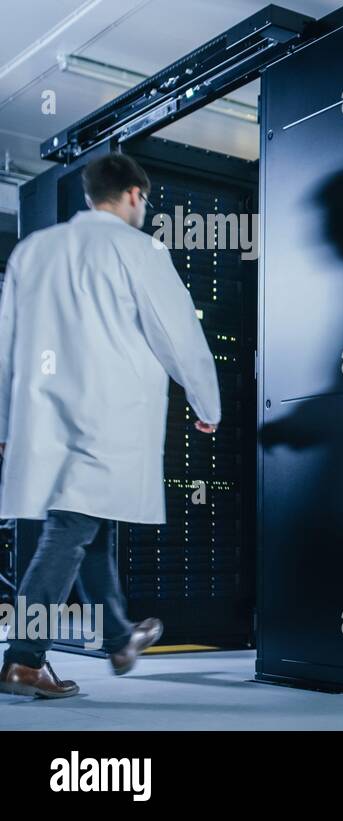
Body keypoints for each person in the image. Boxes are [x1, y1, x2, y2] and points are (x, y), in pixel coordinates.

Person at [0, 153, 221, 698]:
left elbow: (6, 346)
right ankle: (23, 660)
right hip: (107, 417)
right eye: (144, 200)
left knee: (86, 524)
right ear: (133, 195)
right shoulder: (137, 249)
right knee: (71, 529)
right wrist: (206, 403)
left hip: (44, 417)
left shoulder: (33, 251)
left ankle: (120, 637)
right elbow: (177, 336)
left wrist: (6, 421)